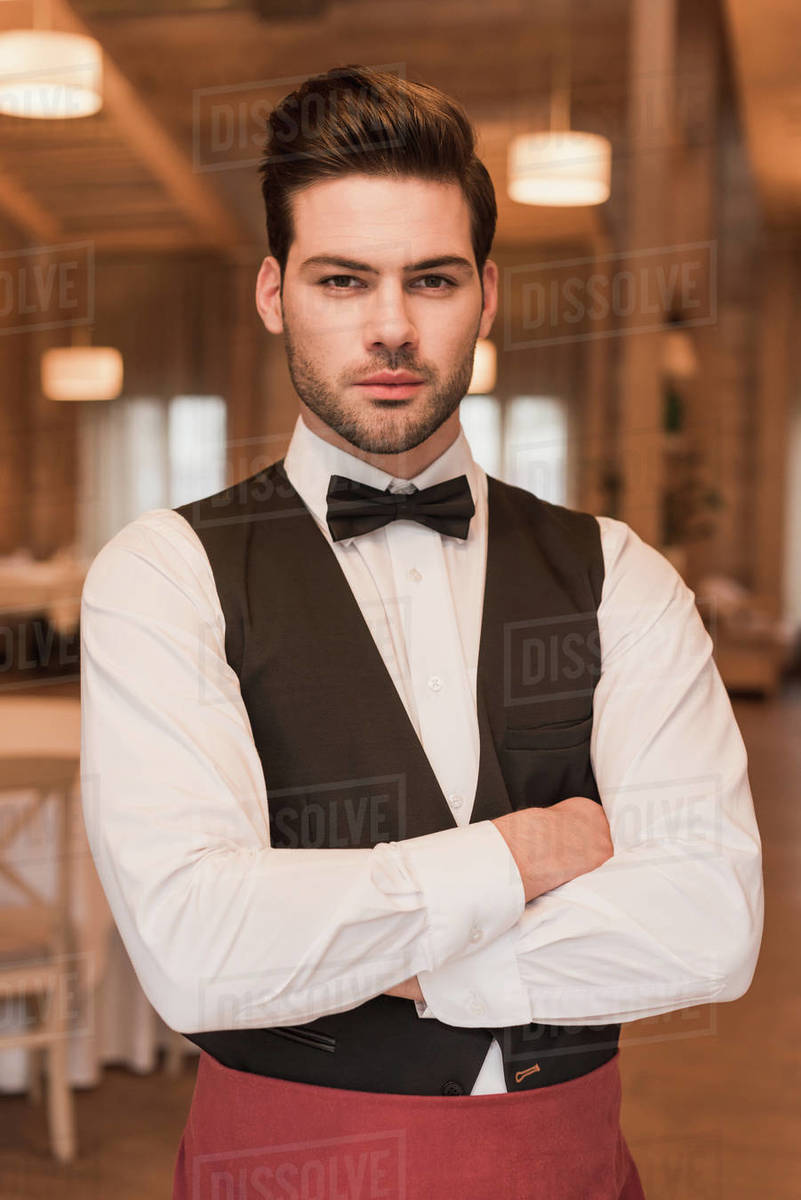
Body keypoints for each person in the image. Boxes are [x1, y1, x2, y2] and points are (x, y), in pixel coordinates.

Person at [79, 65, 764, 1200]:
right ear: (273, 292)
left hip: (564, 1163)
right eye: (342, 280)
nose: (391, 326)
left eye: (431, 280)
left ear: (486, 296)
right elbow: (197, 952)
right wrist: (520, 856)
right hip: (280, 1167)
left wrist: (380, 957)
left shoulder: (620, 575)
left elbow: (710, 927)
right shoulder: (164, 573)